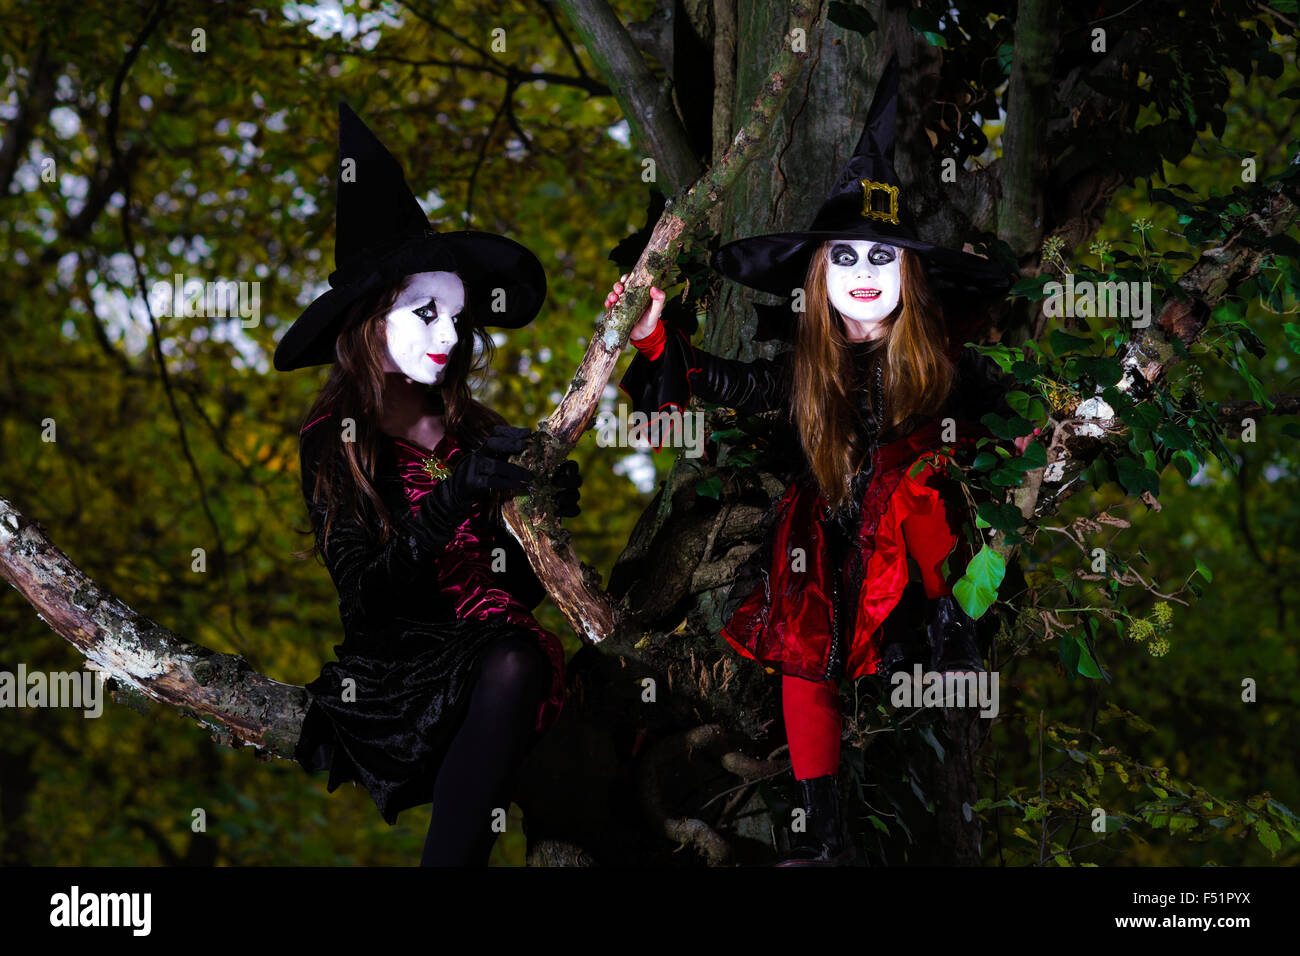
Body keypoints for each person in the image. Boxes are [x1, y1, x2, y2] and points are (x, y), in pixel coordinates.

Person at [608, 58, 1022, 866]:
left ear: (908, 274)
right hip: (828, 537)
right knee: (803, 644)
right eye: (844, 258)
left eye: (880, 259)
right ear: (817, 274)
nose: (863, 277)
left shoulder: (947, 365)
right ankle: (819, 828)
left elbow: (1024, 426)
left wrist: (1084, 411)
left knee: (922, 475)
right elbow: (722, 382)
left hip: (930, 553)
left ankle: (953, 626)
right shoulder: (806, 371)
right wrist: (655, 336)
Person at [274, 104, 579, 866]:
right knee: (514, 659)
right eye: (426, 311)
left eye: (460, 315)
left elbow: (513, 591)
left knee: (532, 663)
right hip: (402, 671)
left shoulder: (474, 427)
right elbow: (367, 602)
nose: (450, 336)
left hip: (502, 664)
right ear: (370, 321)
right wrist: (455, 498)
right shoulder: (334, 444)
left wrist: (538, 519)